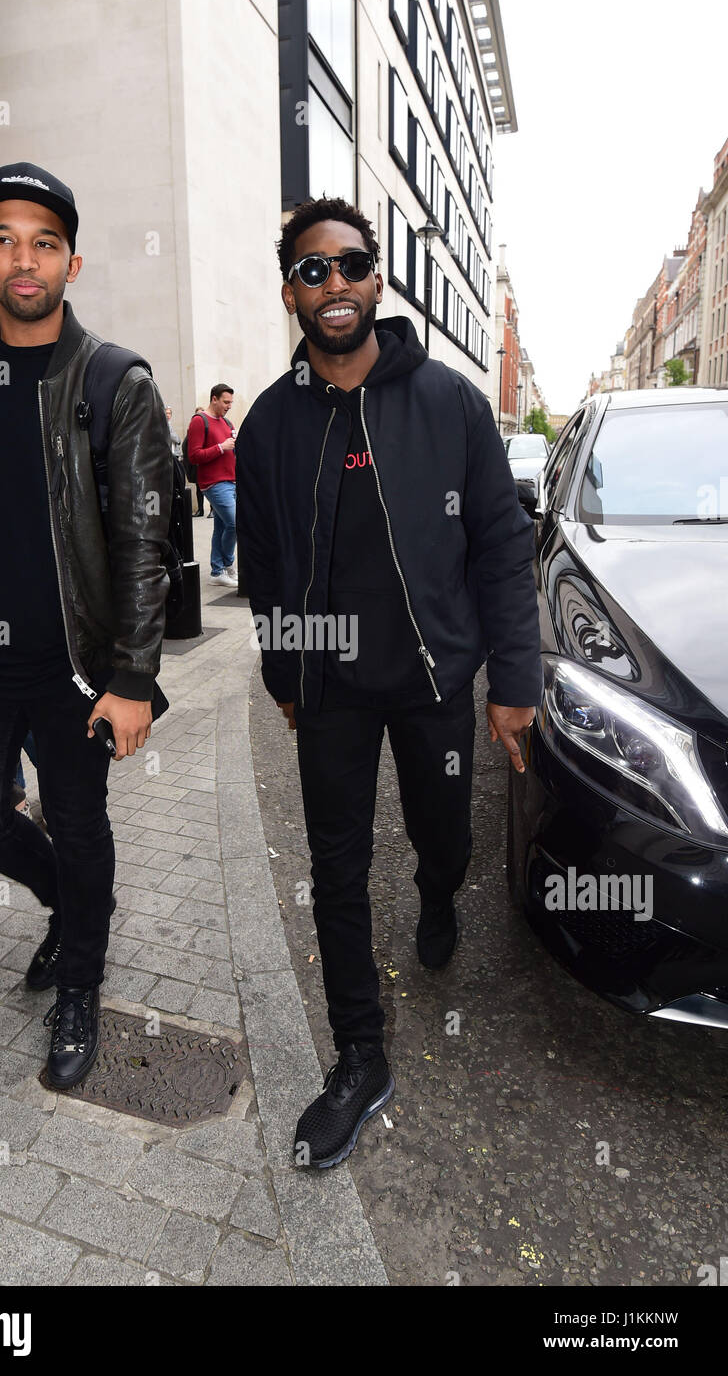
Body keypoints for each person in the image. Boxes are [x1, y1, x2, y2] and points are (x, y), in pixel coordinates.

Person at [236, 196, 542, 1169]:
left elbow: (498, 542)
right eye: (311, 270)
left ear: (376, 278)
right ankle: (357, 1056)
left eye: (349, 265)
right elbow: (268, 569)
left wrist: (510, 679)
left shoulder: (446, 401)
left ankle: (438, 889)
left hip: (429, 679)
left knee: (441, 828)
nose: (333, 284)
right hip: (329, 689)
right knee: (333, 869)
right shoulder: (270, 422)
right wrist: (286, 671)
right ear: (291, 289)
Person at [0, 161, 172, 1090]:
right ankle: (68, 904)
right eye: (5, 241)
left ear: (75, 261)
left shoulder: (115, 380)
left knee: (79, 817)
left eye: (45, 243)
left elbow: (146, 539)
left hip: (75, 662)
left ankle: (82, 982)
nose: (26, 260)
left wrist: (132, 679)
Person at [186, 384, 237, 585]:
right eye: (226, 402)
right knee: (235, 522)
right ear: (214, 399)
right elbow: (194, 456)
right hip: (214, 483)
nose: (229, 406)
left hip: (231, 481)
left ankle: (218, 572)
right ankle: (227, 564)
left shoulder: (227, 423)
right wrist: (220, 447)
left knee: (222, 526)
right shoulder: (199, 422)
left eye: (231, 402)